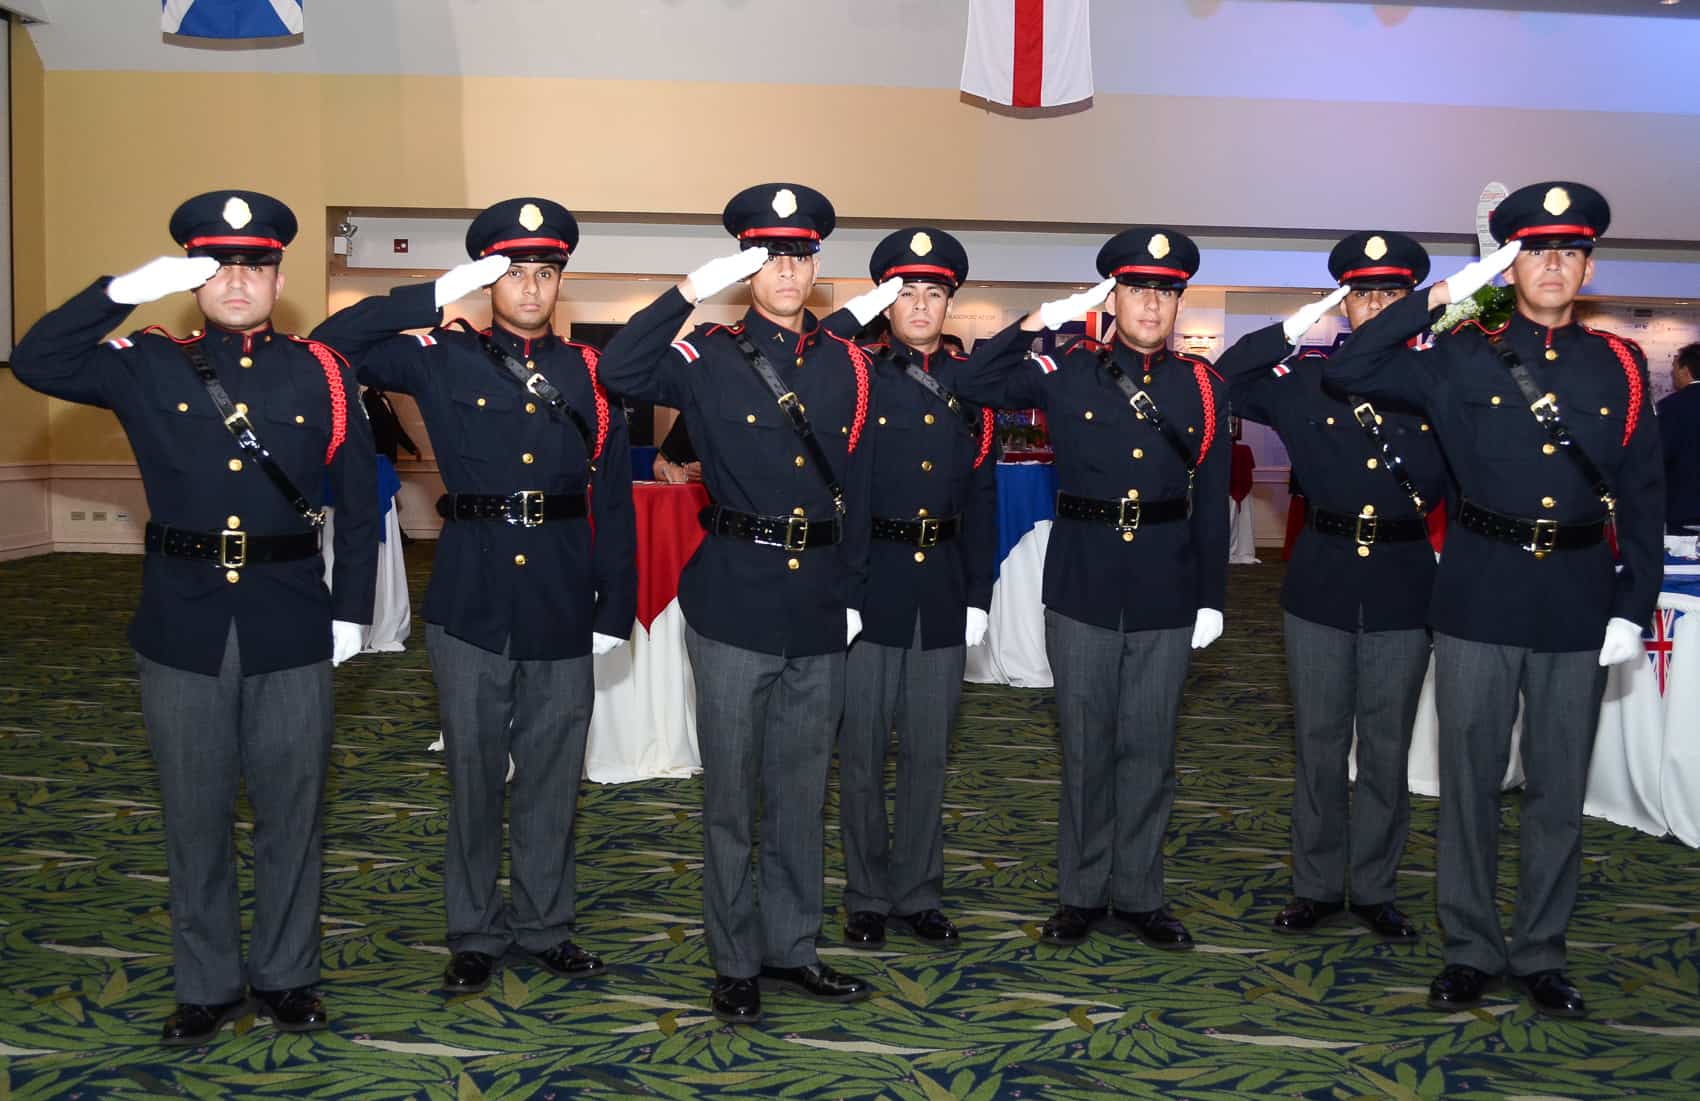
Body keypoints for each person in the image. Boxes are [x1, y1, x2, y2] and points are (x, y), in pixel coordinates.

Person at [11, 190, 387, 1044]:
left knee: (293, 810)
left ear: (278, 275)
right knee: (194, 810)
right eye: (216, 264)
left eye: (254, 263)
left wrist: (352, 612)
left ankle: (288, 975)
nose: (237, 279)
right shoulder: (146, 361)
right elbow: (34, 358)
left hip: (293, 618)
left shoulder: (323, 370)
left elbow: (360, 506)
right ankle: (208, 983)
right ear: (191, 277)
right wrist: (121, 289)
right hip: (181, 619)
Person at [1325, 182, 1665, 1018]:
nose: (1553, 264)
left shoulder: (1618, 364)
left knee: (1558, 789)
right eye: (1535, 250)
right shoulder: (1461, 352)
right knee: (1470, 784)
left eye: (1568, 250)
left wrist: (1632, 604)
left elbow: (1646, 493)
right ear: (1510, 264)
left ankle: (1542, 952)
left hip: (1578, 598)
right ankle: (1472, 947)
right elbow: (1350, 366)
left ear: (1587, 265)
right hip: (1478, 594)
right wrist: (1441, 295)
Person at [597, 183, 899, 1023]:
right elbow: (618, 371)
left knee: (803, 792)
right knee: (732, 796)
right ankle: (733, 957)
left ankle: (791, 946)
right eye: (769, 256)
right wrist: (689, 292)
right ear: (745, 266)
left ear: (816, 264)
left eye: (800, 255)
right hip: (733, 596)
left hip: (820, 605)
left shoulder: (851, 366)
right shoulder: (707, 356)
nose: (788, 271)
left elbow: (864, 492)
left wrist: (855, 596)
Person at [338, 197, 637, 996]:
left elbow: (612, 497)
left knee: (550, 772)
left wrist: (613, 610)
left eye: (544, 272)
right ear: (487, 280)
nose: (530, 287)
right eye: (511, 272)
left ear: (559, 281)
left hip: (562, 597)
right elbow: (334, 346)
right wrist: (434, 291)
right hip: (470, 599)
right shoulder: (440, 355)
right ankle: (473, 930)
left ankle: (545, 924)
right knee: (473, 773)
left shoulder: (591, 375)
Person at [954, 227, 1229, 952]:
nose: (1152, 304)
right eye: (1138, 289)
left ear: (1178, 304)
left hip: (1167, 587)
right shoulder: (1065, 369)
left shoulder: (1201, 385)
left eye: (1166, 292)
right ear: (1113, 297)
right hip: (1081, 583)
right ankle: (1079, 893)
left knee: (1149, 747)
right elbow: (974, 380)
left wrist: (1210, 597)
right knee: (1084, 746)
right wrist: (1040, 319)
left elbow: (1210, 498)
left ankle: (1140, 893)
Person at [1210, 231, 1448, 942]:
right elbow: (1224, 376)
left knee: (1385, 745)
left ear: (1410, 303)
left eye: (1391, 294)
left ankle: (1374, 885)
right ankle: (1315, 884)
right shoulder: (1307, 380)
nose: (1375, 304)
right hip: (1320, 580)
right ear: (1342, 303)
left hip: (1405, 580)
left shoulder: (1439, 381)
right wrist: (1290, 328)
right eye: (1362, 293)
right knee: (1317, 741)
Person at [838, 228, 997, 952]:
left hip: (941, 585)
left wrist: (978, 595)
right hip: (871, 586)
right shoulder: (854, 377)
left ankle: (920, 892)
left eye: (935, 293)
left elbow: (984, 497)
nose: (923, 306)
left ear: (949, 303)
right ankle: (867, 894)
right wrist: (843, 587)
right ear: (885, 302)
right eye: (908, 293)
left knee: (930, 752)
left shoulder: (974, 388)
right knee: (864, 751)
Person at [1658, 343, 1700, 533]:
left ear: (1686, 370)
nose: (1672, 374)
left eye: (1674, 367)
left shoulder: (1670, 407)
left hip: (1684, 508)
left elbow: (1659, 456)